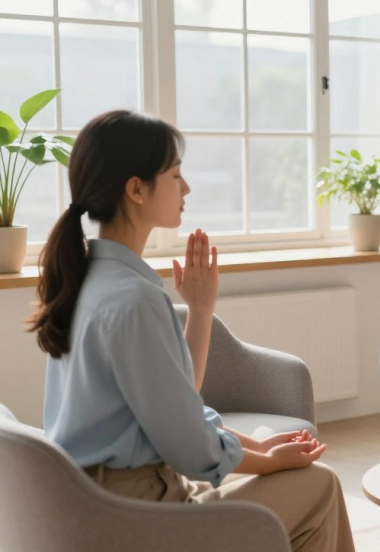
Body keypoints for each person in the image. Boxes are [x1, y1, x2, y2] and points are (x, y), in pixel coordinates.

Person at [29, 110, 355, 552]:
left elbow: (174, 409)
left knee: (296, 480)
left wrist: (201, 311)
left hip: (96, 502)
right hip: (138, 514)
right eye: (176, 175)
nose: (186, 188)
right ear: (136, 189)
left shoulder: (87, 279)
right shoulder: (135, 300)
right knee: (319, 484)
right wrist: (267, 462)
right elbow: (188, 449)